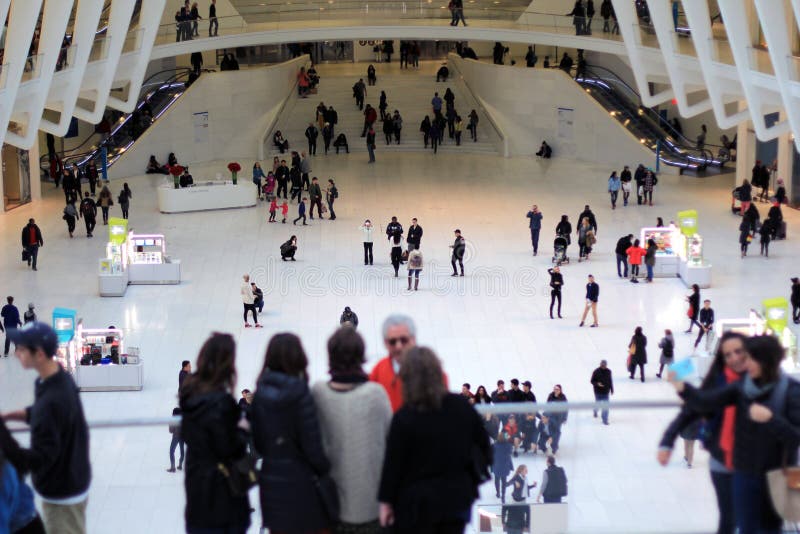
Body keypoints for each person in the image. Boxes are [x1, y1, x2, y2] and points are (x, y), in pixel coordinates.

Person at [670, 335, 800, 534]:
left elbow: (795, 437)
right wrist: (683, 388)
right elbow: (707, 401)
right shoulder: (742, 387)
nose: (744, 363)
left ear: (767, 360)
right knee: (745, 526)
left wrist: (771, 419)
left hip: (775, 475)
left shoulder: (791, 390)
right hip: (745, 473)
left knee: (769, 528)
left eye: (750, 358)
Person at [378, 347, 491, 532]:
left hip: (415, 508)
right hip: (457, 503)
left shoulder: (404, 417)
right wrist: (469, 482)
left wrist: (386, 502)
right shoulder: (461, 407)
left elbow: (392, 467)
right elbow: (484, 450)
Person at [0, 322, 91, 533]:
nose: (17, 354)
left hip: (63, 495)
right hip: (70, 478)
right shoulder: (54, 379)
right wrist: (19, 415)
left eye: (21, 349)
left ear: (39, 354)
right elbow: (52, 416)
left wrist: (7, 448)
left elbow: (41, 456)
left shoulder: (53, 398)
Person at [657, 332, 748, 534]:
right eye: (728, 354)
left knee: (750, 514)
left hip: (750, 461)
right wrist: (667, 441)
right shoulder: (718, 380)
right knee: (728, 517)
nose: (733, 358)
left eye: (738, 352)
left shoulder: (755, 380)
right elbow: (694, 408)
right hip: (721, 459)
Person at [250, 333, 336, 532]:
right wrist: (326, 470)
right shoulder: (300, 392)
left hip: (271, 484)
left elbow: (259, 445)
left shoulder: (260, 393)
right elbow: (312, 446)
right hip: (300, 485)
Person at [312, 328, 392, 532]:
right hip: (371, 507)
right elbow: (391, 445)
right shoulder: (375, 394)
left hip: (331, 507)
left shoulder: (318, 393)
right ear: (361, 356)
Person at [179, 333, 251, 534]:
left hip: (197, 494)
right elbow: (230, 448)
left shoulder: (190, 397)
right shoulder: (221, 403)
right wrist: (243, 429)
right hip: (222, 497)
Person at [369, 315, 416, 412]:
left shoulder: (430, 369)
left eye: (403, 340)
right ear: (385, 343)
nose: (398, 346)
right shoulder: (378, 370)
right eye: (393, 341)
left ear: (413, 340)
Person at [590, 359, 613, 424]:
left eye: (604, 365)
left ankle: (605, 419)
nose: (603, 366)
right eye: (602, 365)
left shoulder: (609, 371)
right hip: (598, 392)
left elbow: (610, 381)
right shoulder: (596, 371)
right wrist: (597, 384)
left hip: (606, 392)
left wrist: (612, 389)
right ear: (600, 364)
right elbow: (592, 381)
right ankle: (595, 411)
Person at [492, 432, 514, 502]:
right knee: (504, 481)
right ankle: (503, 496)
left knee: (496, 479)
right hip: (505, 464)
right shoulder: (509, 445)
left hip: (496, 464)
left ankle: (498, 493)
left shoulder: (494, 445)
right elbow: (510, 452)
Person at [166, 407, 184, 473]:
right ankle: (180, 465)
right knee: (182, 450)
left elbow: (171, 431)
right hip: (183, 436)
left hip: (176, 437)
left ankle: (173, 467)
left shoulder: (173, 420)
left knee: (172, 451)